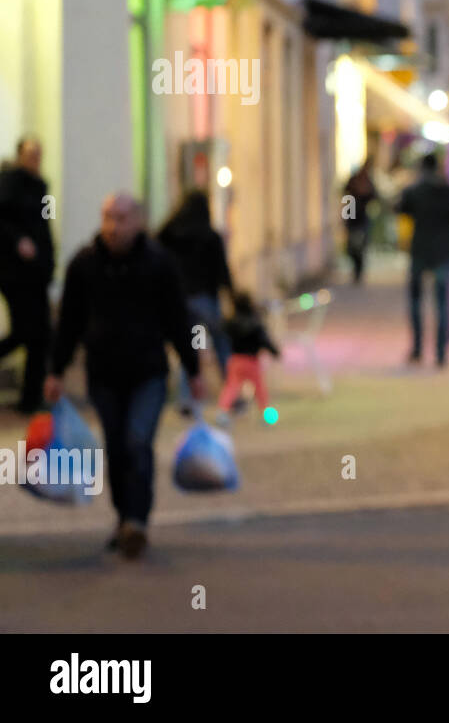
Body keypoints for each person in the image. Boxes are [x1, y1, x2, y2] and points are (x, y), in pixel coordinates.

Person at [45, 193, 202, 559]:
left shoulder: (159, 263)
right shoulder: (84, 265)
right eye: (107, 217)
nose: (113, 227)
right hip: (103, 374)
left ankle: (137, 521)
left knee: (137, 441)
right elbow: (68, 323)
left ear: (138, 221)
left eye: (121, 218)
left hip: (148, 373)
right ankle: (123, 518)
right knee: (116, 448)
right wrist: (56, 370)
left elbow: (178, 320)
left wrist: (193, 369)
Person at [156, 189, 233, 412]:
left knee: (189, 348)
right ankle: (232, 392)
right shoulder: (210, 236)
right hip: (206, 300)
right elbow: (222, 271)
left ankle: (186, 398)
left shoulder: (169, 236)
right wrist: (232, 296)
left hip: (181, 301)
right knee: (220, 344)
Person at [0, 136, 55, 414]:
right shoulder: (8, 182)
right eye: (30, 153)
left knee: (41, 336)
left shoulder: (42, 186)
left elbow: (46, 224)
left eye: (38, 153)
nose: (35, 158)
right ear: (20, 154)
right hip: (14, 273)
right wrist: (18, 240)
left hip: (37, 273)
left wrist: (50, 262)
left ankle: (31, 399)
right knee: (23, 332)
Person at [396, 151, 449, 366]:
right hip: (442, 251)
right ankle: (441, 353)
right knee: (442, 304)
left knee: (416, 302)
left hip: (420, 250)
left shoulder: (415, 190)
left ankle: (417, 349)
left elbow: (401, 209)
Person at [217, 291, 280, 415]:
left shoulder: (230, 322)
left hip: (235, 360)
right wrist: (274, 351)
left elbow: (221, 330)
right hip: (252, 361)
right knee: (259, 388)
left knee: (231, 386)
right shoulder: (256, 323)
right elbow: (264, 340)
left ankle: (222, 411)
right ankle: (266, 413)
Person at [342, 158, 378, 284]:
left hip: (361, 216)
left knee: (361, 246)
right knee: (352, 246)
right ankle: (356, 269)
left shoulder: (368, 182)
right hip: (352, 215)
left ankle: (358, 271)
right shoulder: (354, 180)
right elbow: (346, 194)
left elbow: (374, 197)